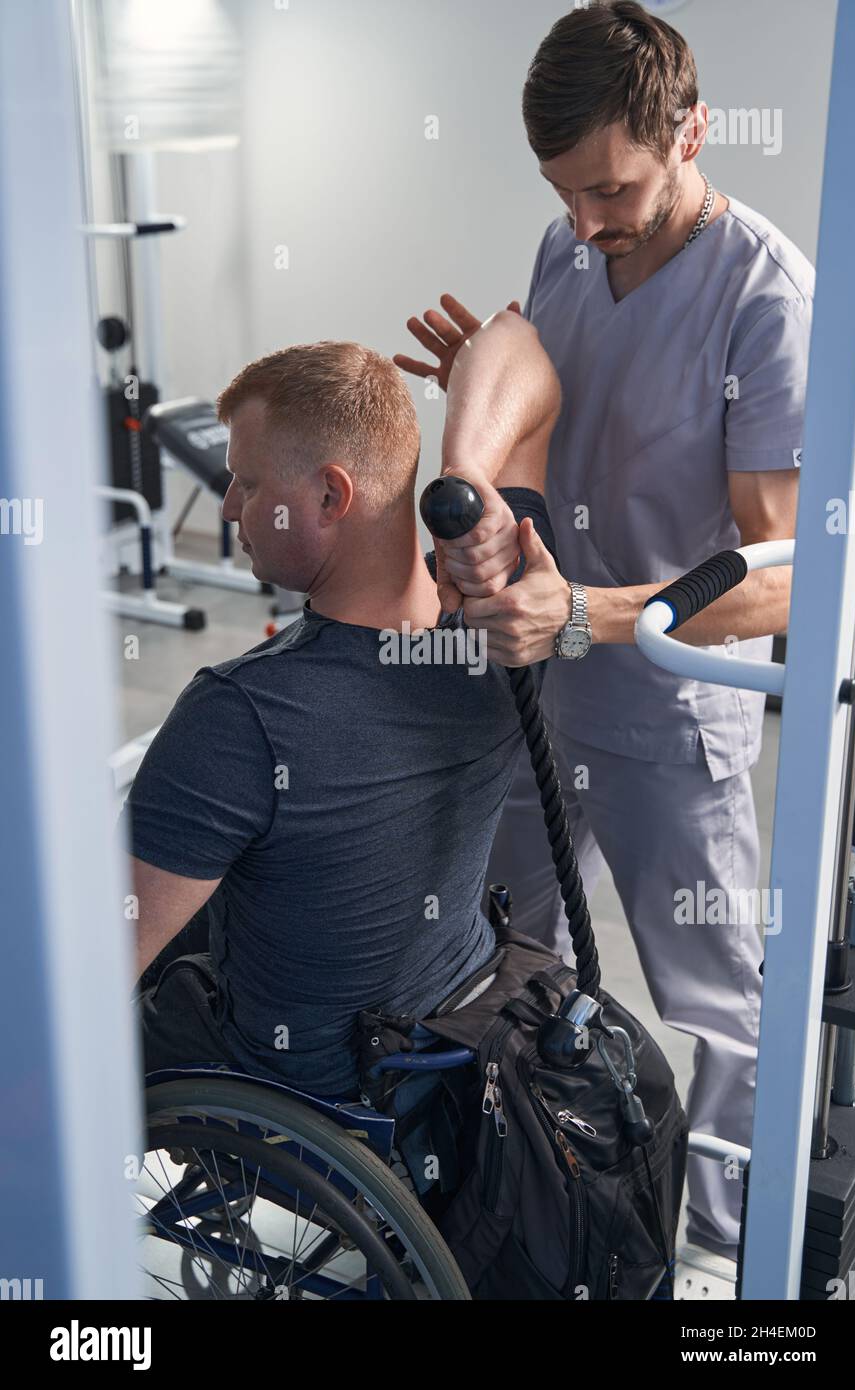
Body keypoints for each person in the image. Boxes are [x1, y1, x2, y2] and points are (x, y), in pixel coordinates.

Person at [395, 0, 812, 1286]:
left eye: (610, 189)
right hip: (540, 680)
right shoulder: (572, 245)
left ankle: (717, 1258)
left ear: (688, 130)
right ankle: (535, 1193)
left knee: (720, 1009)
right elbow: (561, 409)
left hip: (665, 708)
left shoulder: (765, 297)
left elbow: (782, 574)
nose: (584, 222)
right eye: (562, 194)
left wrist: (586, 611)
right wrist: (493, 387)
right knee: (508, 951)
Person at [123, 311, 565, 1101]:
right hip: (432, 1049)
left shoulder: (238, 717)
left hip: (299, 1087)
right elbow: (524, 351)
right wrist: (469, 479)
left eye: (248, 482)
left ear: (330, 494)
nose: (228, 507)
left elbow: (94, 972)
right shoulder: (507, 622)